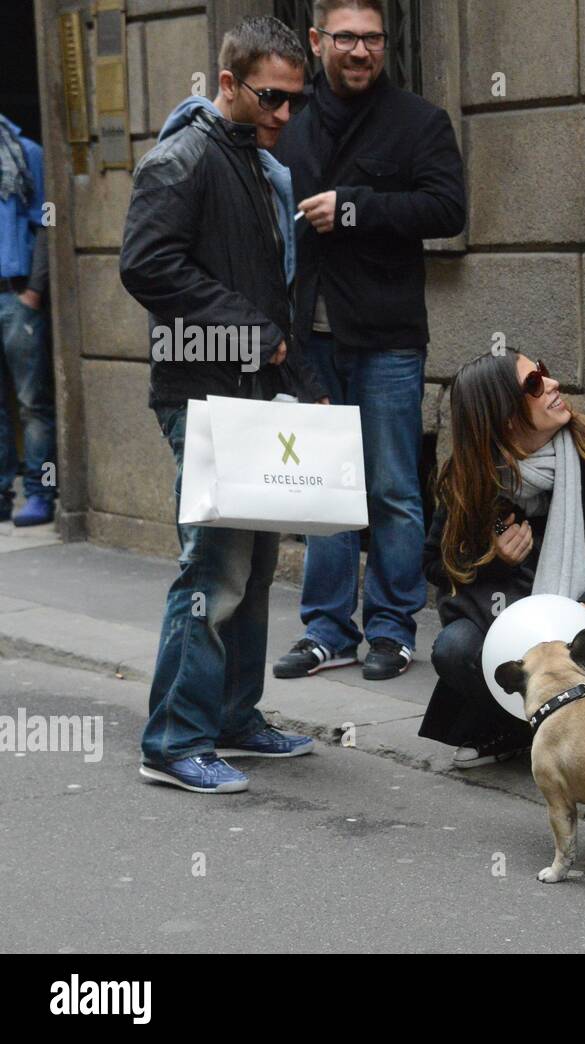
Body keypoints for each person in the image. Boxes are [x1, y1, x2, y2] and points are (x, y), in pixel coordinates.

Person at [120, 15, 326, 795]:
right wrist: (253, 335)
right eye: (271, 98)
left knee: (254, 563)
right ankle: (174, 739)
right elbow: (147, 267)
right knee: (212, 568)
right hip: (202, 391)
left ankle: (235, 719)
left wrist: (292, 372)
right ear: (229, 84)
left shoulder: (251, 159)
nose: (284, 115)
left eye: (294, 102)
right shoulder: (184, 158)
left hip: (247, 391)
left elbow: (263, 287)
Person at [272, 0, 467, 683]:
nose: (361, 52)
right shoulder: (288, 121)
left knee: (389, 488)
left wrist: (355, 206)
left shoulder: (419, 121)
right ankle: (326, 629)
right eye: (347, 39)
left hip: (386, 337)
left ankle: (390, 627)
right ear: (318, 40)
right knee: (321, 489)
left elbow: (449, 208)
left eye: (373, 39)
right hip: (309, 341)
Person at [419, 350, 585, 769]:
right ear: (504, 417)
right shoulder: (467, 475)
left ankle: (579, 719)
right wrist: (492, 558)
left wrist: (583, 614)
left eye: (544, 374)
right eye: (534, 385)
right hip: (511, 624)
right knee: (454, 647)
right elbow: (432, 562)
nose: (552, 385)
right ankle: (520, 730)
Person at [0, 113, 55, 527]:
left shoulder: (27, 153)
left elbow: (46, 223)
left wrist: (34, 290)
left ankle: (38, 492)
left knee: (31, 401)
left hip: (17, 294)